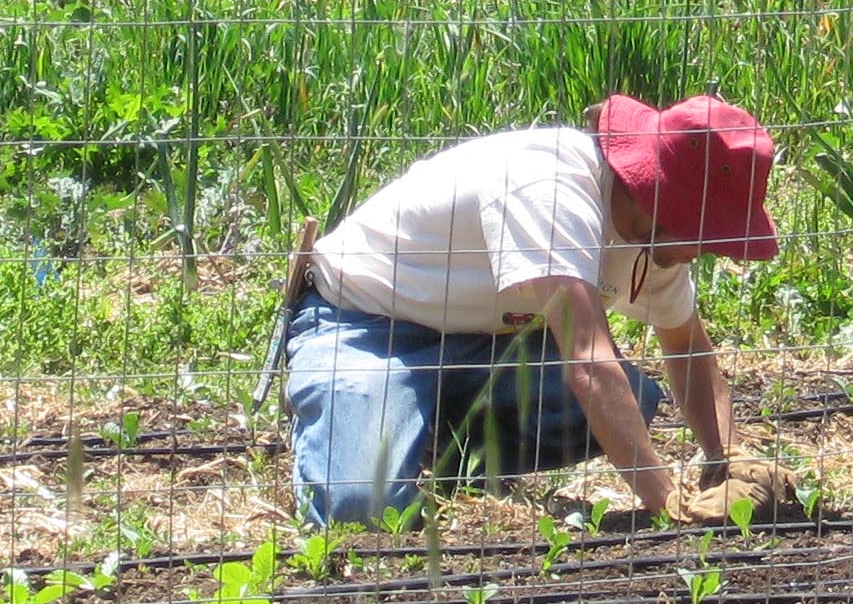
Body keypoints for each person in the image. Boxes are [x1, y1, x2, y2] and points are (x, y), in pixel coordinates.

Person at [284, 95, 796, 527]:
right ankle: (352, 418)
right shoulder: (549, 188)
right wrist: (666, 502)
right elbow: (588, 361)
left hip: (490, 346)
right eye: (707, 233)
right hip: (367, 327)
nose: (707, 249)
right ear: (659, 200)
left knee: (633, 399)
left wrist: (729, 455)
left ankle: (435, 441)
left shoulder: (655, 235)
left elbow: (686, 347)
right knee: (361, 511)